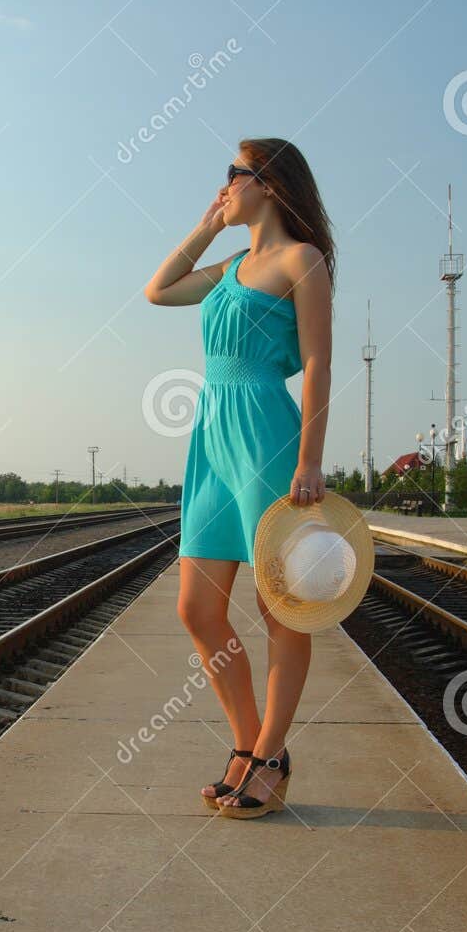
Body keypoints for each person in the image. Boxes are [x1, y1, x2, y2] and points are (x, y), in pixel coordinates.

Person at [143, 137, 335, 817]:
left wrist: (309, 459)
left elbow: (318, 364)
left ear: (271, 184)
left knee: (279, 605)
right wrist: (207, 224)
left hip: (265, 435)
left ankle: (269, 757)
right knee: (196, 608)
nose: (224, 184)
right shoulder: (228, 267)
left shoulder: (301, 260)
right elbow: (158, 290)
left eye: (234, 173)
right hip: (211, 436)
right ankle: (250, 744)